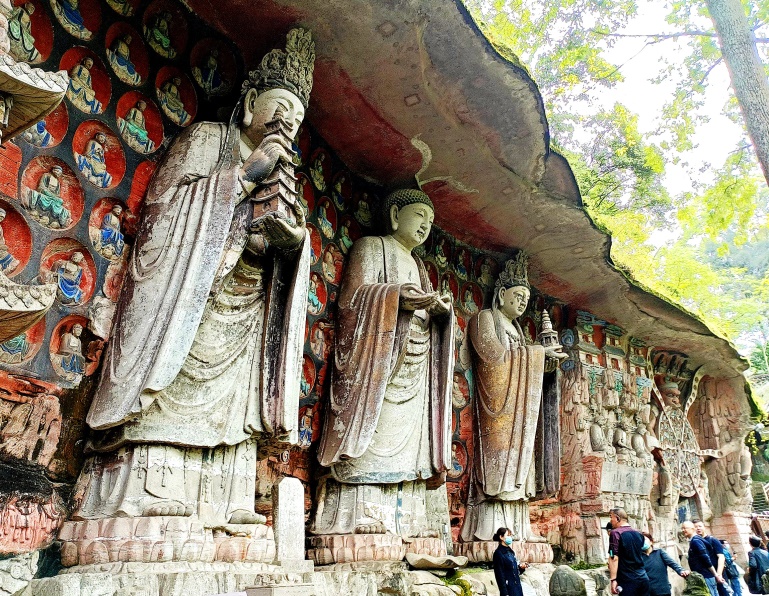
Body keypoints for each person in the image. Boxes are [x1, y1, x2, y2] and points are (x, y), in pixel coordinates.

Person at [72, 29, 314, 528]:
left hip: (245, 306)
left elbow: (279, 245)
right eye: (279, 108)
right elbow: (165, 212)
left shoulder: (289, 174)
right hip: (185, 293)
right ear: (249, 104)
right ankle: (145, 490)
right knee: (172, 376)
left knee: (231, 407)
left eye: (296, 119)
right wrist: (244, 175)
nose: (287, 123)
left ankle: (226, 503)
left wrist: (290, 245)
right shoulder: (210, 138)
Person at [608, 508, 650, 596]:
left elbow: (613, 557)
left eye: (611, 517)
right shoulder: (639, 533)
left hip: (627, 580)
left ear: (617, 518)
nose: (610, 520)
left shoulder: (615, 534)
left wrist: (613, 580)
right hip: (643, 577)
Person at [641, 532, 689, 596]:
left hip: (662, 590)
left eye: (645, 540)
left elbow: (672, 563)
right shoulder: (638, 557)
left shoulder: (659, 552)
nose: (643, 542)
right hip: (646, 591)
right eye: (641, 540)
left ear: (651, 541)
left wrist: (681, 571)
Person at [682, 521, 720, 596]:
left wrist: (715, 574)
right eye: (682, 528)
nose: (683, 530)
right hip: (706, 576)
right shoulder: (697, 540)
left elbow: (705, 558)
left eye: (685, 528)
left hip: (705, 576)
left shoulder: (696, 541)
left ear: (692, 529)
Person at [695, 520, 730, 596]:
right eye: (695, 527)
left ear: (704, 527)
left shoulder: (712, 540)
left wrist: (719, 574)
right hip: (707, 575)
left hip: (718, 572)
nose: (698, 528)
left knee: (723, 593)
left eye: (700, 526)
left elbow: (721, 557)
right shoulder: (695, 542)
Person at [493, 527, 528, 596]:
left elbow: (514, 571)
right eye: (508, 535)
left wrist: (521, 567)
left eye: (510, 535)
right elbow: (499, 575)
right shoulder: (498, 553)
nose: (510, 538)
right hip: (508, 589)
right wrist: (504, 593)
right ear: (501, 537)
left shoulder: (511, 552)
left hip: (517, 588)